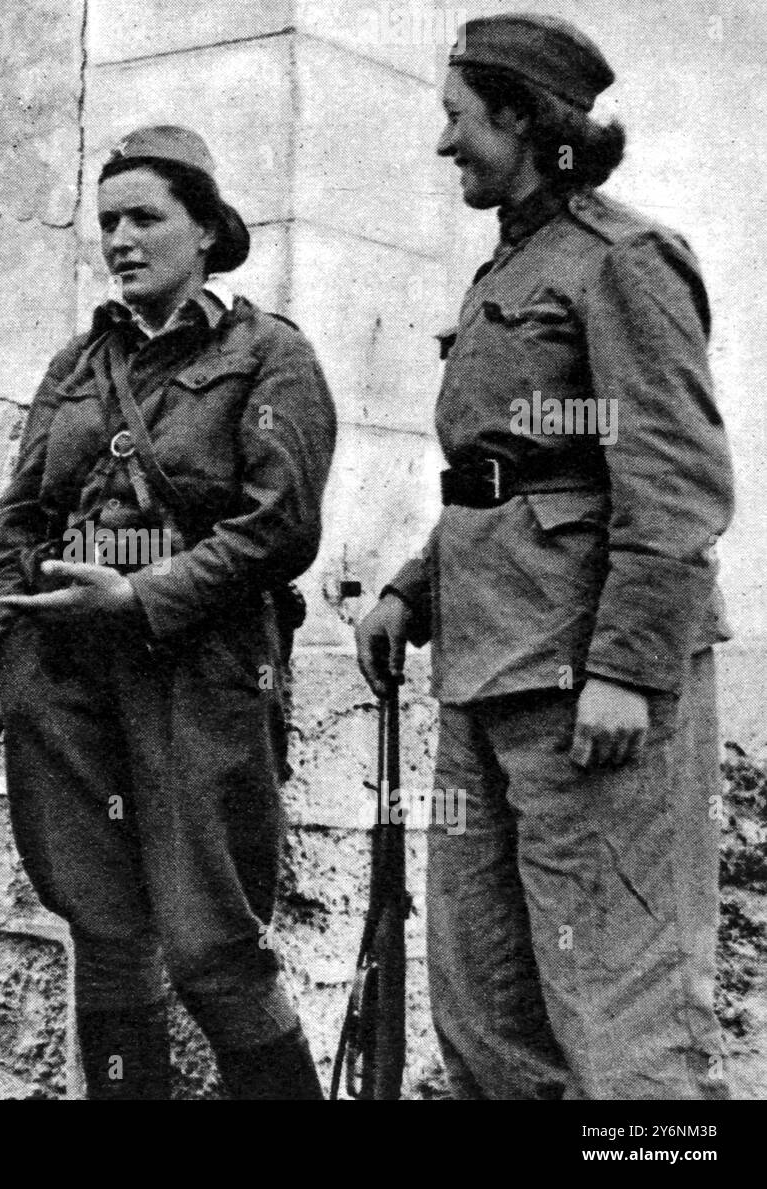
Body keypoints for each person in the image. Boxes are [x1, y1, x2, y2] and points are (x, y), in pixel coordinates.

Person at [356, 15, 735, 1099]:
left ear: (521, 117)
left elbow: (672, 484)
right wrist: (408, 591)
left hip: (587, 690)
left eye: (458, 118)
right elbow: (509, 474)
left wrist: (624, 667)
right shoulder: (513, 267)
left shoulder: (624, 261)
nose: (444, 146)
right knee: (485, 1020)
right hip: (483, 674)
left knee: (625, 1021)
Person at [0, 126, 337, 1099]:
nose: (122, 238)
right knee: (102, 927)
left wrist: (142, 594)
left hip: (202, 671)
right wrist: (12, 641)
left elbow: (280, 526)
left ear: (206, 228)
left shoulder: (270, 355)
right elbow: (22, 510)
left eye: (146, 216)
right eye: (108, 222)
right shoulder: (76, 362)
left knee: (210, 941)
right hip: (63, 679)